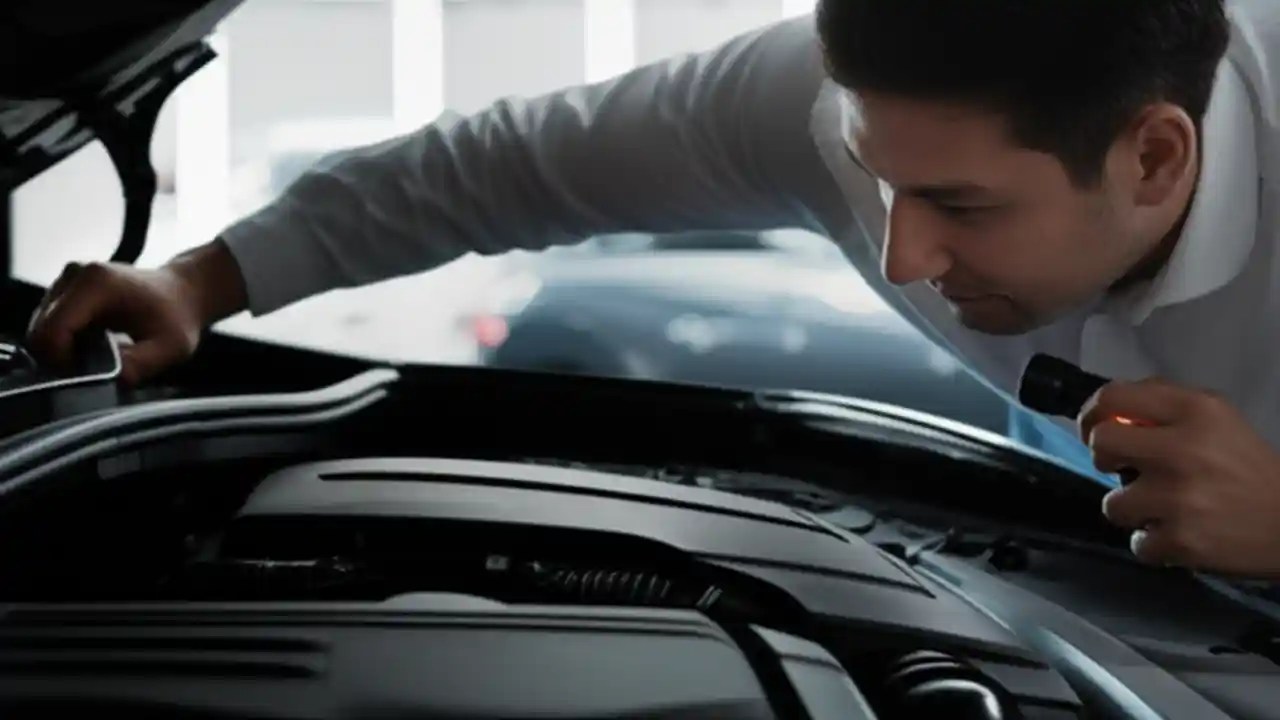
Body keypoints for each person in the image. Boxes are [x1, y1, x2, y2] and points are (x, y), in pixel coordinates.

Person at [23, 0, 1280, 577]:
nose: (900, 262)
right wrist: (201, 277)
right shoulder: (818, 99)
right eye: (870, 182)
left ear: (1154, 154)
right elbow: (510, 165)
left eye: (960, 207)